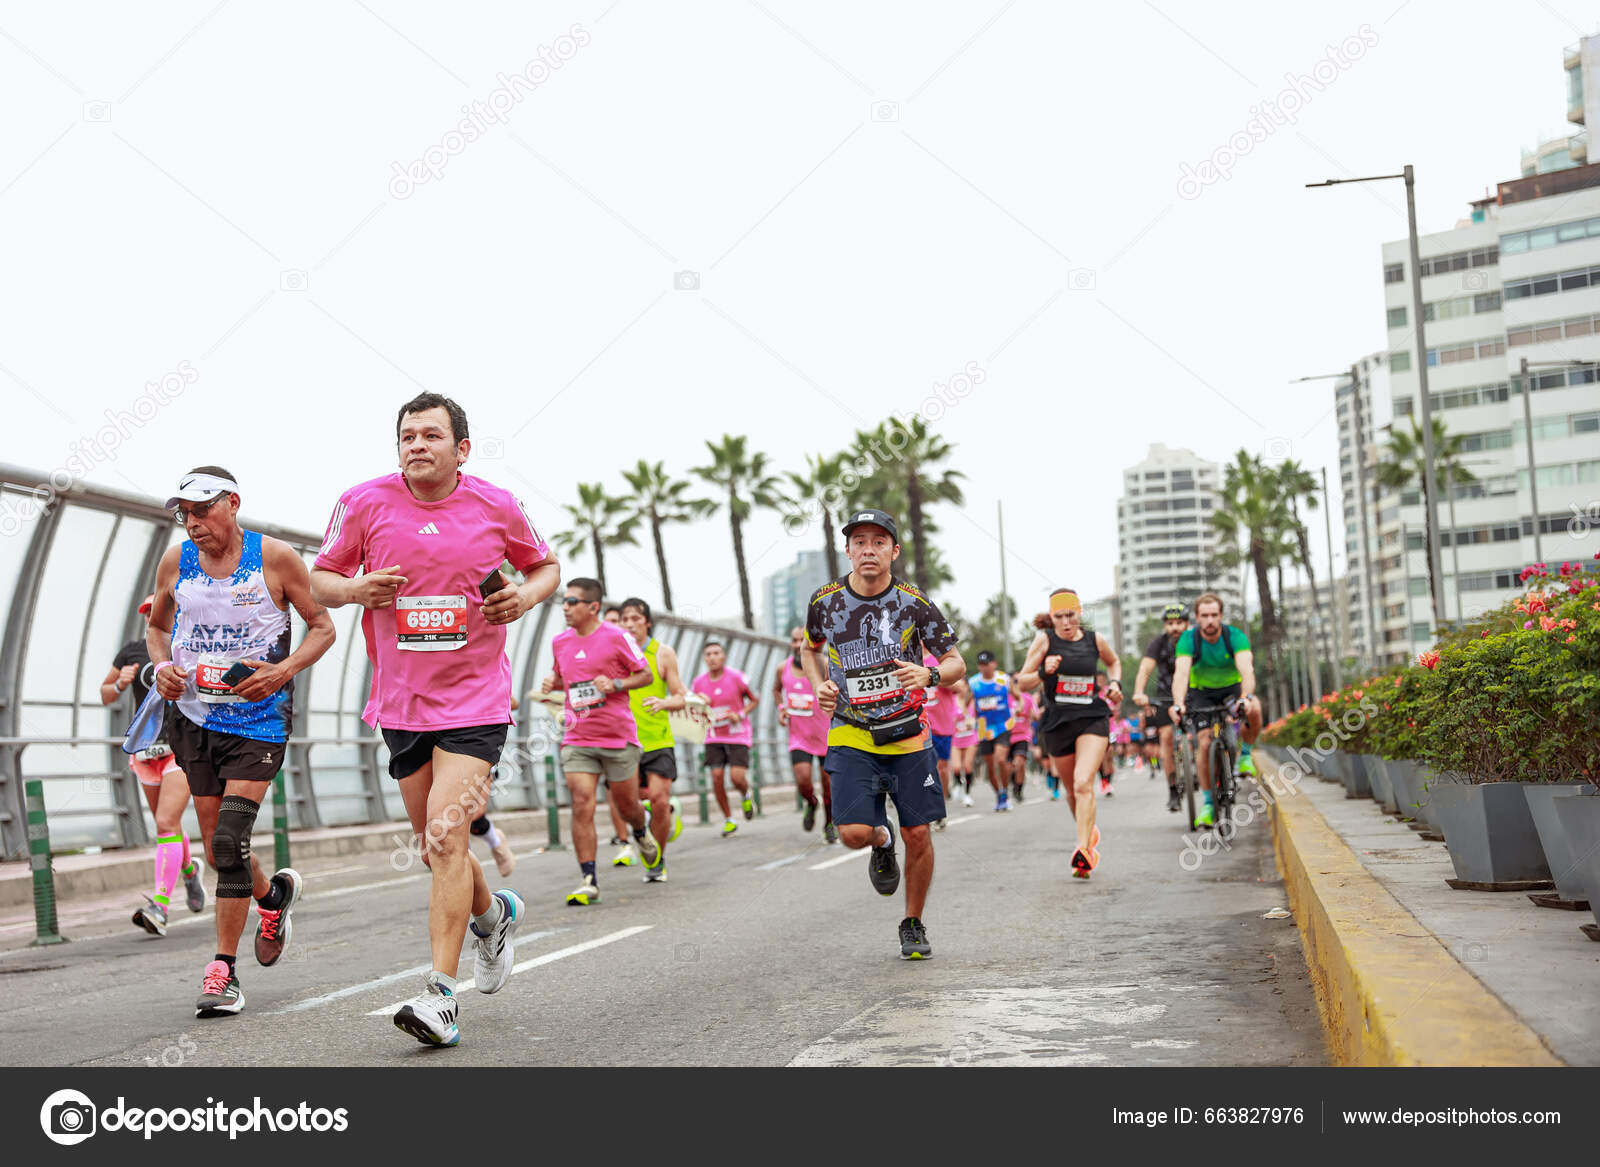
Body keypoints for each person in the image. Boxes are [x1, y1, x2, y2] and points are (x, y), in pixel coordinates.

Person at [312, 395, 556, 1045]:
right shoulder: (363, 502)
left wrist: (523, 596)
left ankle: (441, 998)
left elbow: (546, 567)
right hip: (402, 703)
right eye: (406, 435)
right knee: (434, 845)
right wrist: (355, 591)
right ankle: (494, 914)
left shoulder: (495, 504)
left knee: (448, 837)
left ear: (462, 449)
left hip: (476, 701)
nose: (416, 444)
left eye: (430, 435)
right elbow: (320, 581)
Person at [148, 466, 336, 1017]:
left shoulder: (274, 558)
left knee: (229, 840)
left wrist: (282, 672)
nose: (193, 522)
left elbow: (321, 627)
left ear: (232, 503)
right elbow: (158, 628)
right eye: (185, 512)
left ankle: (222, 972)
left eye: (203, 509)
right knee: (218, 848)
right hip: (193, 717)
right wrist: (162, 668)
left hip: (258, 718)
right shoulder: (176, 560)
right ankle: (271, 900)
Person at [802, 508, 963, 960]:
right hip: (852, 731)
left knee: (919, 833)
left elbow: (955, 663)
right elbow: (809, 649)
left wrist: (928, 675)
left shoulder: (914, 602)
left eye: (878, 542)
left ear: (893, 551)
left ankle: (912, 922)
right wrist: (820, 684)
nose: (867, 549)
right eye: (859, 542)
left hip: (909, 733)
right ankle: (880, 840)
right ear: (848, 550)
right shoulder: (825, 600)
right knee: (851, 832)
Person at [541, 578, 656, 904]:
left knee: (627, 806)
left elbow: (645, 674)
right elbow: (565, 678)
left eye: (572, 601)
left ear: (592, 607)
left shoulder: (617, 636)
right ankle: (588, 878)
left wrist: (617, 683)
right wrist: (553, 680)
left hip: (618, 737)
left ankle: (640, 831)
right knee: (581, 803)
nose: (565, 607)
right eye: (564, 601)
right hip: (578, 737)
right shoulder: (560, 642)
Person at [104, 594, 205, 936]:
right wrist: (119, 682)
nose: (154, 617)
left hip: (181, 745)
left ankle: (159, 906)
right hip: (146, 750)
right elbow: (105, 692)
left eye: (162, 611)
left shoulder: (191, 647)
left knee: (165, 822)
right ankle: (190, 872)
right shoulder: (131, 651)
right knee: (168, 826)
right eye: (149, 613)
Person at [1017, 589, 1120, 878]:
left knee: (1084, 782)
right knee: (1072, 792)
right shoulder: (1044, 641)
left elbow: (1114, 662)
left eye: (1070, 615)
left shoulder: (1094, 640)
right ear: (1051, 617)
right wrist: (1043, 673)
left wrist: (1116, 684)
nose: (1065, 622)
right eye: (1059, 616)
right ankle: (1087, 836)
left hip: (1092, 718)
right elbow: (1022, 683)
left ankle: (1083, 850)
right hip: (1058, 722)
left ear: (1080, 613)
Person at [1168, 592, 1263, 830]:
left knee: (1255, 708)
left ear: (1221, 616)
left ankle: (1245, 756)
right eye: (1204, 616)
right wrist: (1178, 703)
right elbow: (1181, 674)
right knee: (1205, 743)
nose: (1209, 621)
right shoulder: (1188, 640)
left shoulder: (1235, 637)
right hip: (1201, 694)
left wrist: (1246, 697)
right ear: (1197, 618)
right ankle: (1209, 804)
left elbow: (1246, 670)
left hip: (1232, 691)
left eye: (1214, 615)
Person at [621, 597, 688, 880]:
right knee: (628, 805)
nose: (630, 624)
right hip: (625, 741)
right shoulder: (615, 652)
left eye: (636, 618)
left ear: (647, 622)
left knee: (660, 800)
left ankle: (655, 862)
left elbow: (680, 696)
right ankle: (646, 820)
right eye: (625, 619)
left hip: (658, 740)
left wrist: (663, 703)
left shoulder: (663, 653)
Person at [775, 626, 836, 842]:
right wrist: (782, 710)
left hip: (825, 735)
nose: (797, 644)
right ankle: (811, 802)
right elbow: (776, 690)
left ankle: (829, 823)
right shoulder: (783, 668)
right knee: (803, 781)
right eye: (794, 640)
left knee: (828, 786)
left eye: (802, 640)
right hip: (799, 737)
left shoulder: (826, 665)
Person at [691, 642, 758, 837]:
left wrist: (741, 714)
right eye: (708, 654)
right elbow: (693, 709)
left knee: (736, 777)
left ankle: (746, 795)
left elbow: (755, 699)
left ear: (724, 656)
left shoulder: (737, 677)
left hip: (737, 734)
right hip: (713, 736)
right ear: (704, 659)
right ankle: (729, 819)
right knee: (716, 777)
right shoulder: (698, 683)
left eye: (716, 653)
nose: (712, 657)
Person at [1134, 603, 1190, 812]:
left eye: (1179, 623)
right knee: (1166, 738)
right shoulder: (1158, 643)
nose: (1174, 628)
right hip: (1166, 697)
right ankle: (1173, 789)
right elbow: (1145, 669)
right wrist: (1139, 691)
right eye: (1170, 624)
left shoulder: (1194, 640)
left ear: (1187, 623)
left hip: (1194, 693)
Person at [969, 651, 1014, 811]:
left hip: (1002, 724)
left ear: (994, 664)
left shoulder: (1003, 679)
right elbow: (965, 700)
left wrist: (1020, 705)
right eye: (981, 665)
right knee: (989, 765)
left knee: (1001, 760)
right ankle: (1000, 795)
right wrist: (967, 716)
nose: (984, 668)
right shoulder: (973, 682)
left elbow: (1017, 695)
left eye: (987, 664)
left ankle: (1005, 790)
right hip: (983, 726)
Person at [920, 648, 958, 829]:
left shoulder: (941, 658)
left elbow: (959, 686)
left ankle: (939, 805)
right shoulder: (908, 657)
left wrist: (932, 675)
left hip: (942, 724)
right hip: (919, 723)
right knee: (922, 766)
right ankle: (927, 807)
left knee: (941, 767)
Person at [1007, 682, 1037, 803]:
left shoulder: (1027, 698)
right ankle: (1012, 783)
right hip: (1006, 735)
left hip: (1022, 735)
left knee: (1019, 763)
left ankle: (1018, 789)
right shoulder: (1005, 698)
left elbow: (1036, 715)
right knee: (1009, 766)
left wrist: (1030, 712)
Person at [950, 686, 978, 807]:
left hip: (971, 738)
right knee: (956, 768)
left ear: (967, 687)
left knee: (967, 767)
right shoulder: (951, 699)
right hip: (956, 739)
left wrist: (974, 723)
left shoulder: (974, 702)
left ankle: (967, 794)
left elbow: (981, 719)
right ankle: (958, 784)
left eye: (962, 685)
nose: (960, 688)